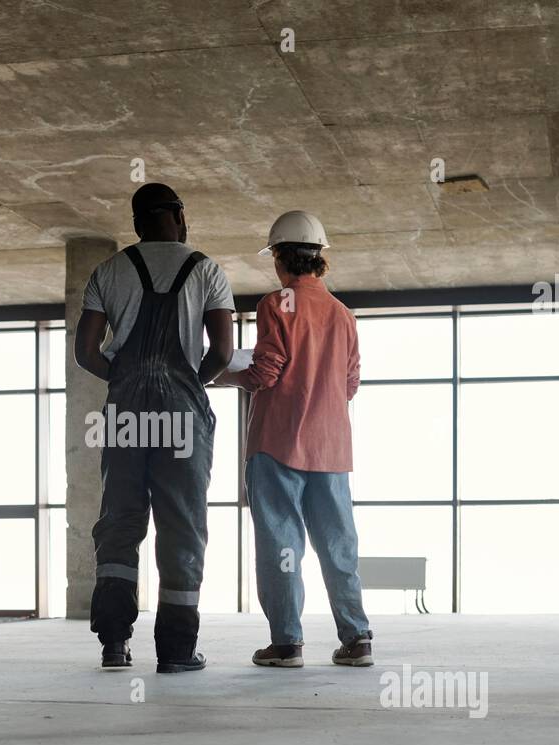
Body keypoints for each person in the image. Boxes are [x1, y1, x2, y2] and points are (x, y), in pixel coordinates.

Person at [74, 183, 235, 673]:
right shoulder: (206, 270)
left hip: (127, 415)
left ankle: (114, 644)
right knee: (181, 525)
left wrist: (125, 379)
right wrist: (189, 383)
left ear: (137, 223)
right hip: (181, 417)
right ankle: (177, 651)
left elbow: (85, 352)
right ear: (180, 216)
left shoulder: (108, 271)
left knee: (120, 521)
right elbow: (223, 352)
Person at [218, 210, 374, 668]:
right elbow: (350, 384)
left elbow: (265, 372)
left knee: (281, 545)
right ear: (320, 258)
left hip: (279, 444)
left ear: (279, 258)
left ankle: (287, 644)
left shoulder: (277, 303)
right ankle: (357, 639)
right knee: (338, 545)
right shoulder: (343, 314)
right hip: (331, 448)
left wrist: (221, 375)